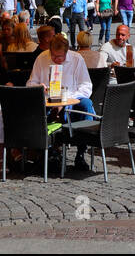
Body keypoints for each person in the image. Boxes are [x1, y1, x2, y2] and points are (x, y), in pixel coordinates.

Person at [27, 34, 95, 171]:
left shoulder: (77, 59)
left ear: (67, 51)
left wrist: (67, 99)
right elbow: (30, 83)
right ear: (50, 51)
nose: (57, 60)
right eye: (54, 57)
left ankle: (81, 151)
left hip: (72, 99)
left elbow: (86, 87)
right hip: (47, 101)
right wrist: (39, 86)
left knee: (86, 104)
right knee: (37, 110)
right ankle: (49, 150)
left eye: (61, 57)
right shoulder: (42, 58)